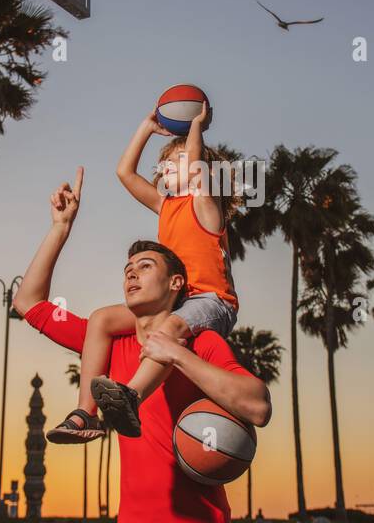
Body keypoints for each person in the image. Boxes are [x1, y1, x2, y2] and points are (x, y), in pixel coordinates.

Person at [13, 168, 271, 523]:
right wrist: (60, 228)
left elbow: (258, 406)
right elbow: (29, 303)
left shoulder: (200, 342)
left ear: (176, 283)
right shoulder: (107, 346)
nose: (130, 273)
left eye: (144, 266)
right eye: (127, 268)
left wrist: (177, 355)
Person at [48, 102, 240, 442]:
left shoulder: (205, 204)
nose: (167, 167)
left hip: (211, 300)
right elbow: (125, 173)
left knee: (170, 328)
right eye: (164, 163)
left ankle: (131, 396)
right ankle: (85, 413)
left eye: (176, 161)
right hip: (174, 300)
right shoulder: (165, 206)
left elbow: (196, 165)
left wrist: (197, 125)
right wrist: (147, 127)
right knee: (101, 319)